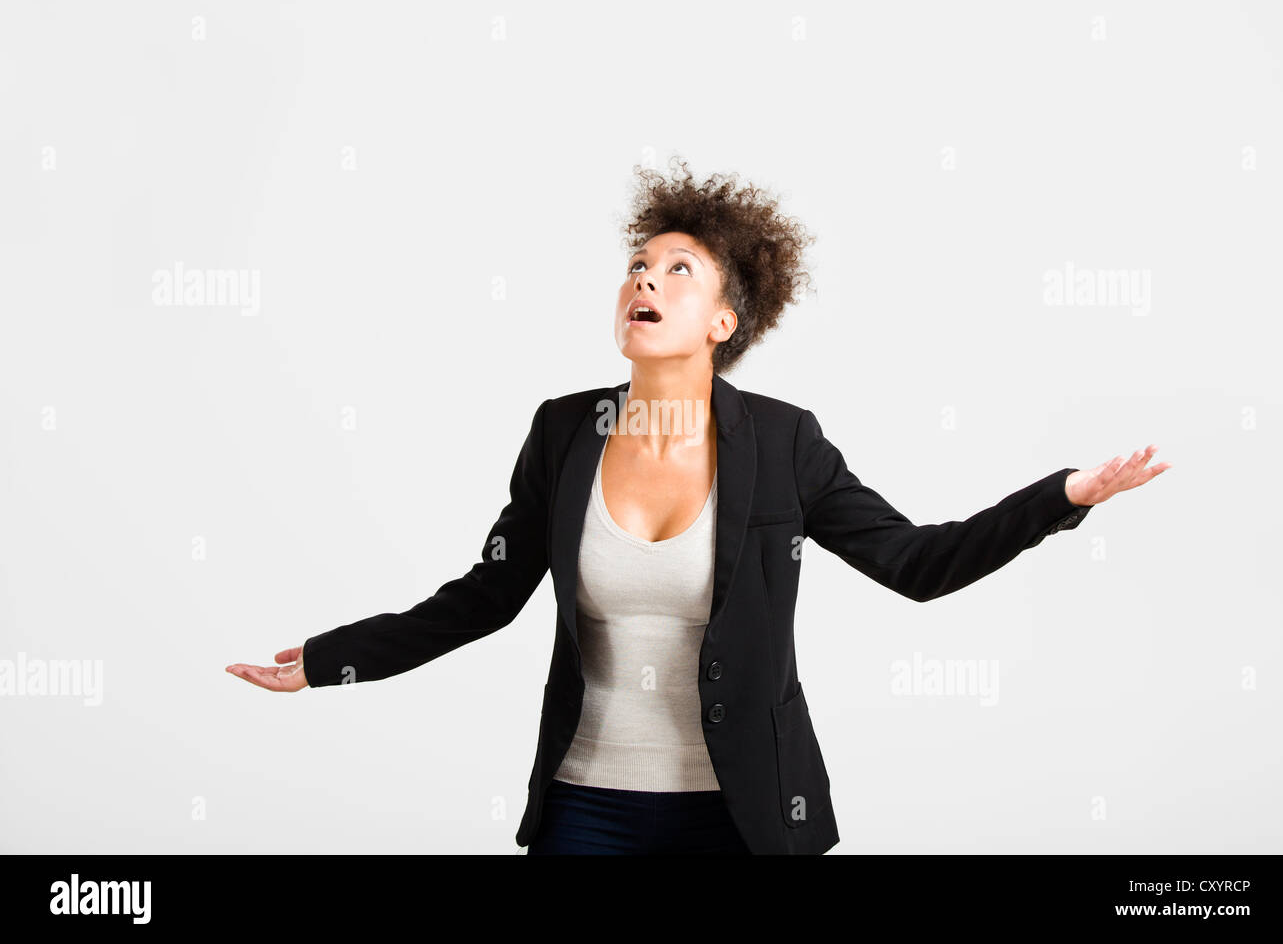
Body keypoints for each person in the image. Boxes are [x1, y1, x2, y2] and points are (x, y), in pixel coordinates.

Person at [227, 156, 1171, 854]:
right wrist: (328, 662)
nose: (646, 277)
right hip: (585, 804)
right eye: (639, 264)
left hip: (747, 814)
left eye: (679, 270)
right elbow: (485, 596)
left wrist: (1064, 498)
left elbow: (917, 565)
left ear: (725, 322)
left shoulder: (784, 442)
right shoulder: (565, 432)